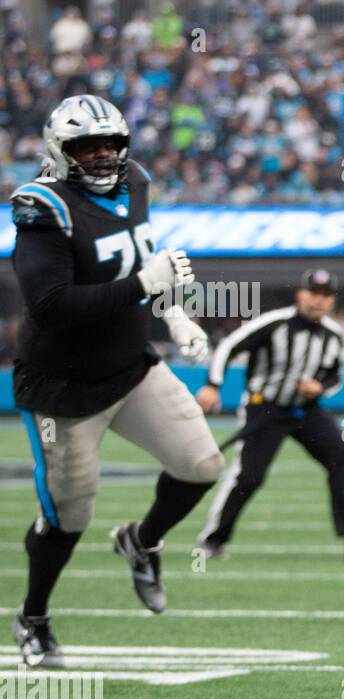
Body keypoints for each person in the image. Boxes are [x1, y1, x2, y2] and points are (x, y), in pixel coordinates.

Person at [10, 95, 223, 667]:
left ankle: (142, 540)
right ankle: (33, 617)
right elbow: (52, 305)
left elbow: (144, 255)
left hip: (130, 366)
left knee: (201, 465)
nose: (103, 156)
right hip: (63, 388)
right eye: (87, 146)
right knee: (69, 516)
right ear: (61, 151)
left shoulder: (138, 182)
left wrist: (175, 311)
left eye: (111, 144)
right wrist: (141, 286)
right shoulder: (42, 208)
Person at [194, 269, 344, 559]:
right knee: (249, 475)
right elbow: (228, 346)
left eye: (326, 296)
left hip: (305, 410)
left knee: (342, 456)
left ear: (332, 301)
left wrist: (319, 388)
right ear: (301, 294)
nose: (318, 301)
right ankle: (212, 540)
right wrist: (213, 385)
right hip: (265, 408)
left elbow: (335, 376)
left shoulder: (333, 335)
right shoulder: (274, 323)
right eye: (314, 293)